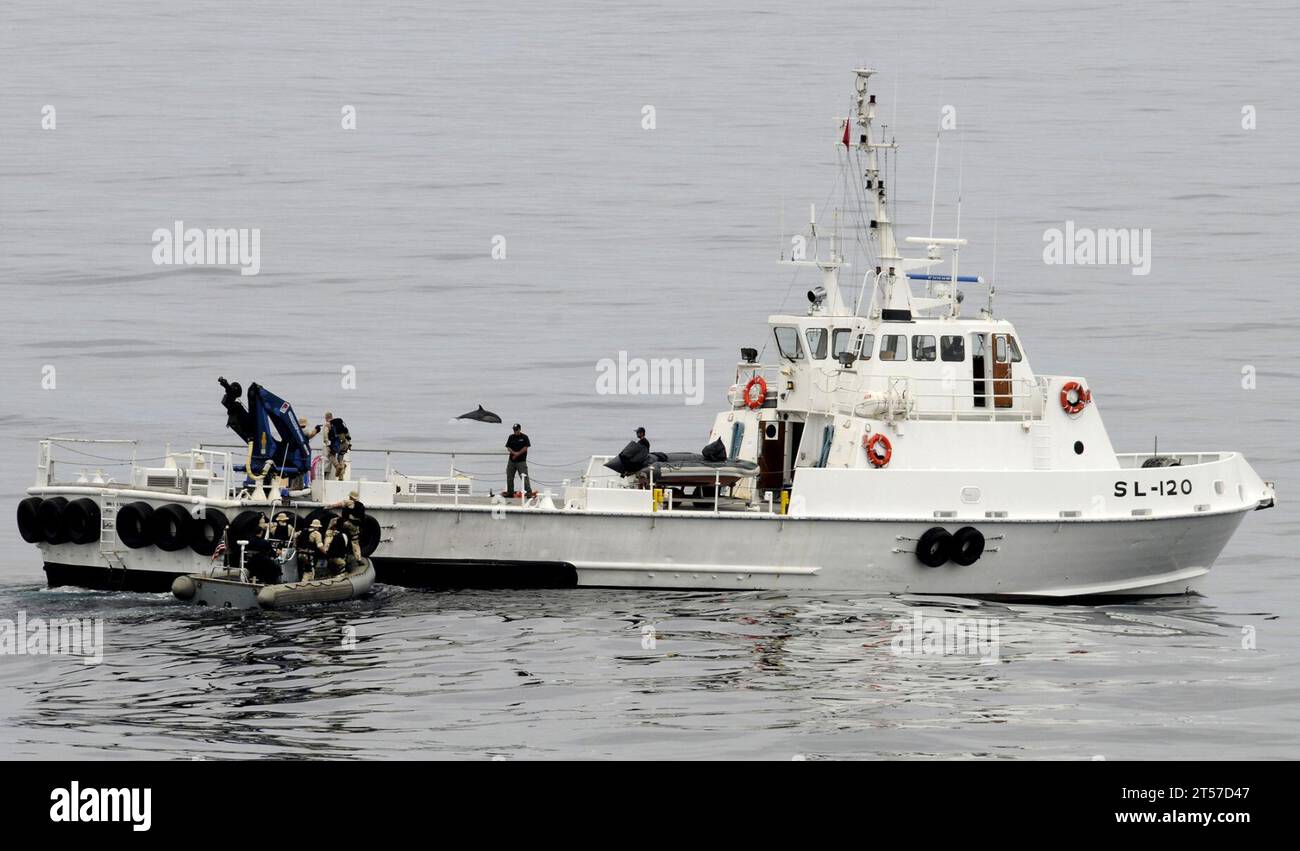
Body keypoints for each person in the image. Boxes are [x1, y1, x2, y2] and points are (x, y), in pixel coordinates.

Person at [504, 423, 532, 498]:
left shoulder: (524, 437)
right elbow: (508, 447)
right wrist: (514, 453)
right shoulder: (511, 437)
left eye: (516, 430)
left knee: (524, 477)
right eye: (514, 430)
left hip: (521, 461)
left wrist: (517, 454)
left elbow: (526, 447)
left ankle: (529, 492)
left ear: (520, 429)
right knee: (509, 476)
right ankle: (510, 492)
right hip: (511, 461)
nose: (515, 431)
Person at [323, 412, 351, 480]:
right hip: (345, 443)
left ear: (326, 418)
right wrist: (349, 443)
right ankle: (341, 477)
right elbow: (347, 433)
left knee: (330, 455)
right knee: (340, 458)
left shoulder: (328, 424)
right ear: (332, 417)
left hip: (336, 444)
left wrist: (327, 443)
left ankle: (337, 466)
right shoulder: (339, 423)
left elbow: (325, 435)